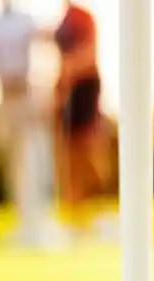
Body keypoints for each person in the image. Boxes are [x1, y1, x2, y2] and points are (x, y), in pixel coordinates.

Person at [0, 0, 44, 246]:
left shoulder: (26, 21)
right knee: (15, 162)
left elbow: (44, 46)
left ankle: (39, 219)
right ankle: (23, 221)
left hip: (27, 95)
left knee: (35, 156)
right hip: (6, 99)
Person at [52, 0, 106, 232]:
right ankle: (76, 215)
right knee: (68, 151)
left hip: (84, 84)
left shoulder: (83, 17)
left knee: (86, 148)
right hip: (69, 88)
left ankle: (100, 212)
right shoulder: (64, 19)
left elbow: (87, 51)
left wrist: (68, 76)